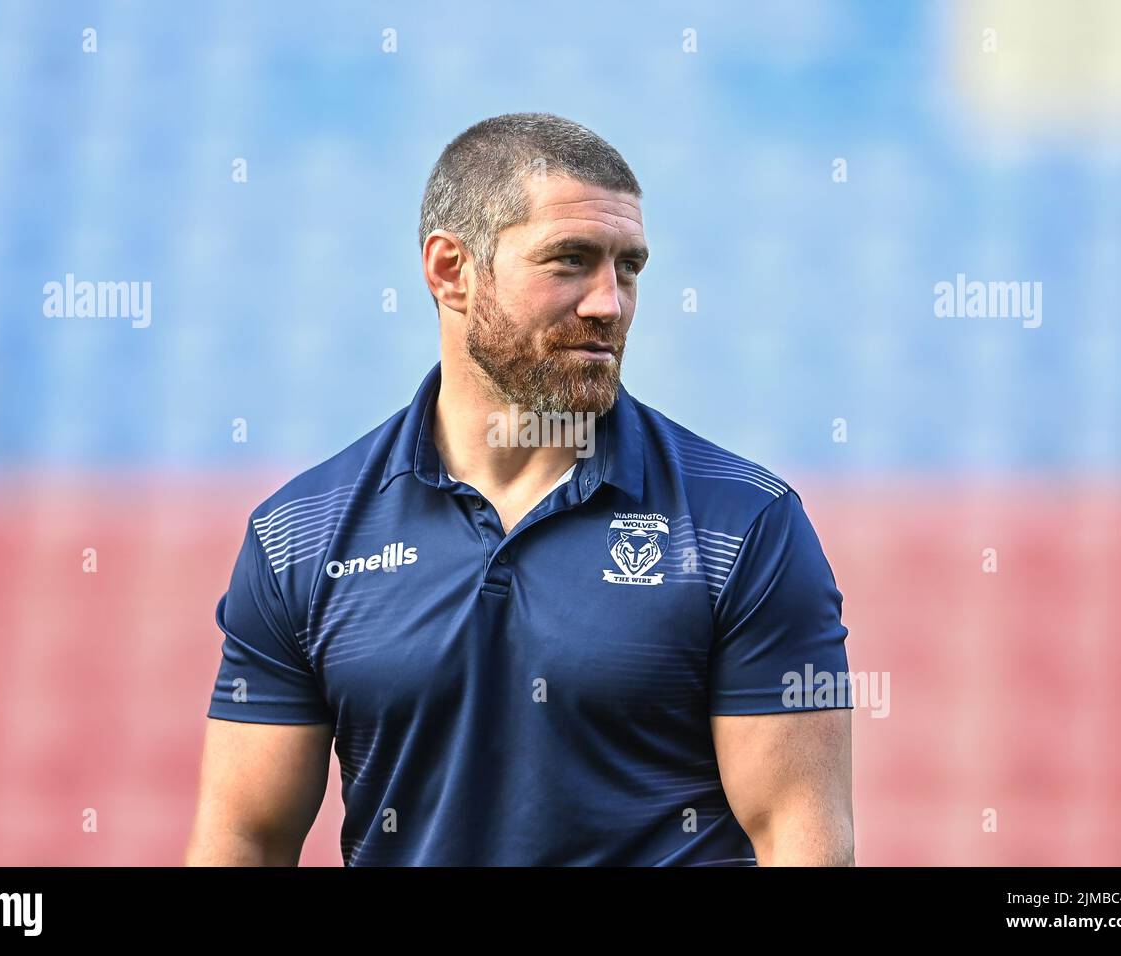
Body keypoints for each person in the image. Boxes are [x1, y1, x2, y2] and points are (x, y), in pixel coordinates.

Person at [186, 112, 854, 866]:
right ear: (450, 271)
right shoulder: (299, 539)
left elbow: (801, 839)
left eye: (628, 267)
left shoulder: (745, 525)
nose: (610, 303)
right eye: (570, 261)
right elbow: (247, 838)